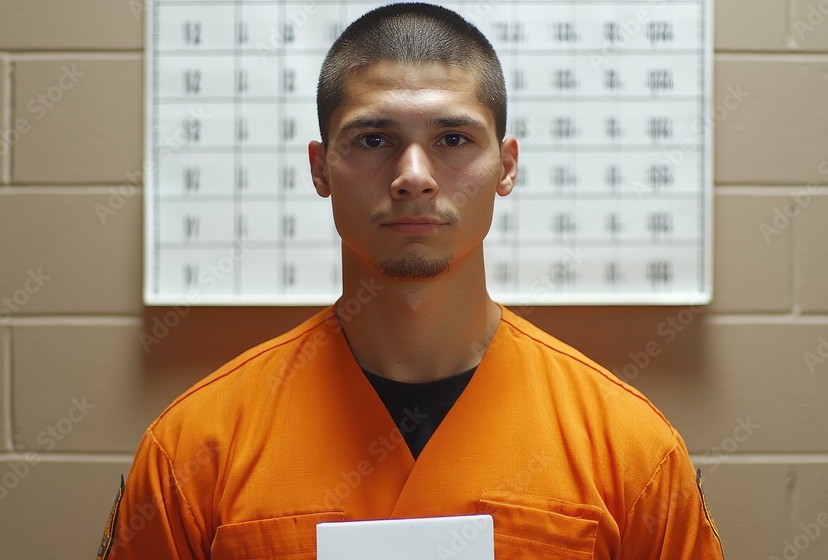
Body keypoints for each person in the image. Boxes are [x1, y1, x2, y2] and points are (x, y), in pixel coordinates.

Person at [98, 3, 725, 559]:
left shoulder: (630, 451)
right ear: (320, 169)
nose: (414, 175)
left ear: (506, 167)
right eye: (374, 139)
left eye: (453, 138)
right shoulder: (195, 451)